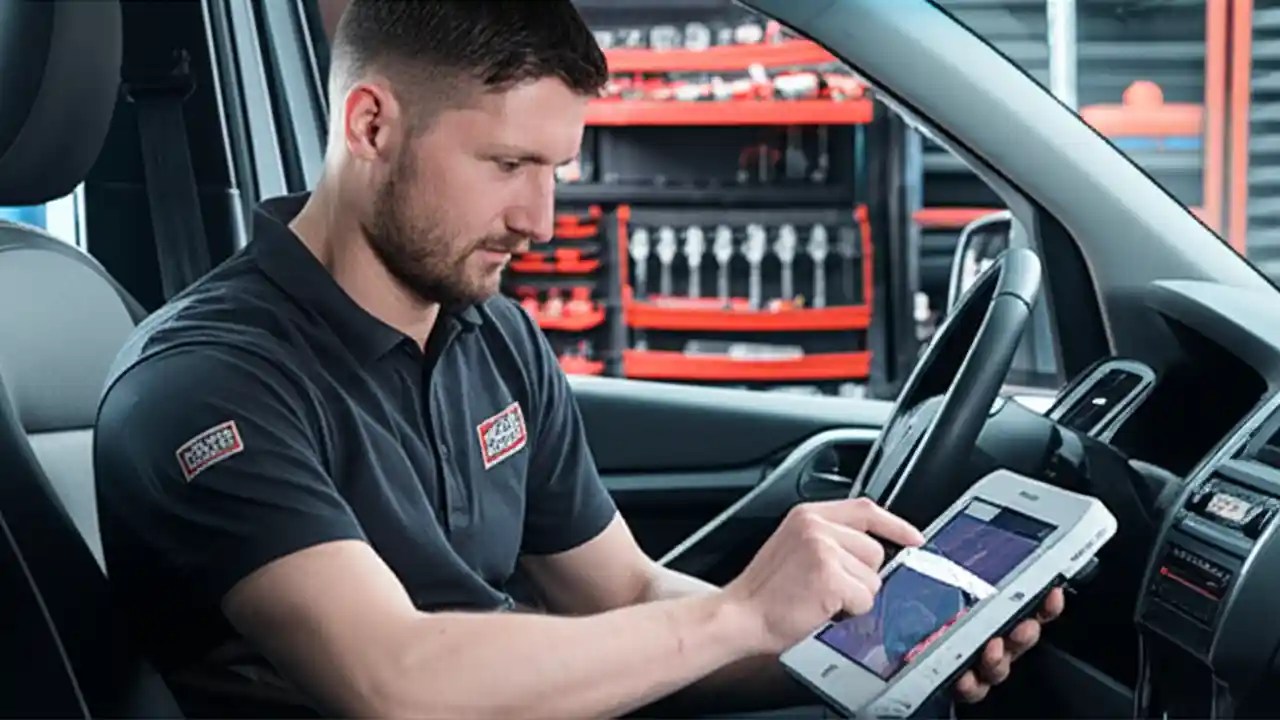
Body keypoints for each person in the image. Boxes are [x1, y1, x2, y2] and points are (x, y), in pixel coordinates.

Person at [93, 1, 1064, 718]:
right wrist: (734, 617)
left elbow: (625, 596)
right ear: (370, 126)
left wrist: (869, 643)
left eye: (555, 171)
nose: (540, 220)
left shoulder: (489, 333)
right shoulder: (207, 384)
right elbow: (392, 680)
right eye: (507, 165)